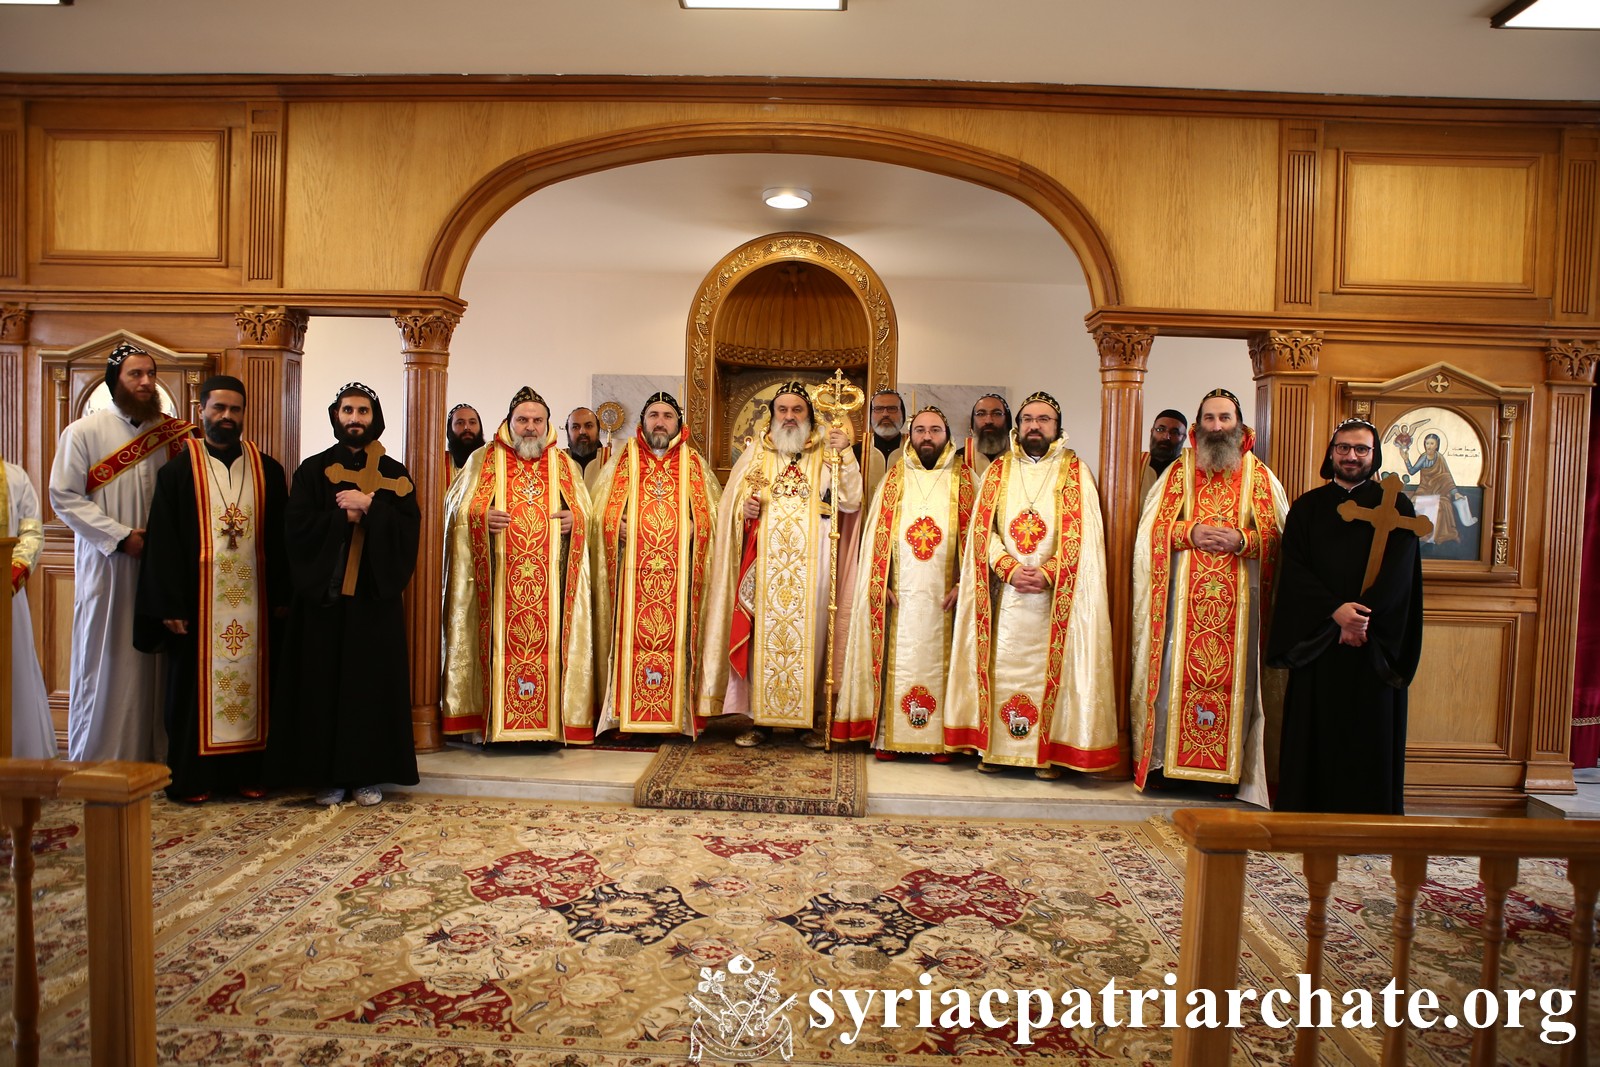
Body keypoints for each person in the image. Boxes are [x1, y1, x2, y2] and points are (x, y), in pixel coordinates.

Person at [945, 391, 1118, 778]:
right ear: (1017, 425)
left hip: (1055, 600)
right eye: (1027, 419)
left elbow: (1085, 537)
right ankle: (995, 748)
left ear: (1058, 427)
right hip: (1006, 598)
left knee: (1046, 674)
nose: (1034, 426)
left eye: (1043, 420)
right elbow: (981, 533)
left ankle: (1047, 754)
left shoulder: (1076, 471)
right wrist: (1007, 566)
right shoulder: (998, 471)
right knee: (1001, 668)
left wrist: (1050, 571)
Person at [1131, 388, 1288, 805]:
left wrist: (1242, 539)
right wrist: (1189, 532)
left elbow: (1279, 540)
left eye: (1225, 418)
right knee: (1172, 682)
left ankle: (1229, 773)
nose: (1217, 426)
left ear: (1240, 424)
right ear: (1198, 425)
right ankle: (1167, 766)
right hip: (1181, 608)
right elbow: (1150, 533)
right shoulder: (1178, 473)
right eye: (1210, 418)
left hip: (1240, 607)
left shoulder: (1259, 476)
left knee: (1236, 685)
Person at [135, 376, 288, 802]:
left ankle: (251, 772)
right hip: (199, 608)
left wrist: (282, 597)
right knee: (192, 694)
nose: (226, 417)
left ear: (244, 414)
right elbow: (163, 543)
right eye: (218, 408)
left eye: (235, 410)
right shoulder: (179, 471)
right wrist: (170, 604)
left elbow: (280, 540)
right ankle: (194, 778)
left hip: (256, 607)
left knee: (259, 687)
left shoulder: (268, 471)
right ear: (200, 410)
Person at [268, 382, 420, 806]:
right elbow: (295, 528)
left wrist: (372, 509)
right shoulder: (313, 470)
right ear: (336, 416)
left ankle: (367, 775)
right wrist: (343, 516)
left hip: (373, 602)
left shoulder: (395, 474)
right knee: (322, 689)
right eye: (348, 410)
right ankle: (327, 777)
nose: (355, 418)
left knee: (368, 690)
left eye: (364, 411)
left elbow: (409, 530)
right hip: (325, 600)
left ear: (376, 418)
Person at [1268, 419, 1424, 814]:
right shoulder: (1306, 508)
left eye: (1361, 449)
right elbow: (1295, 571)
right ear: (1331, 452)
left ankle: (1369, 823)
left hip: (1374, 645)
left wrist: (1361, 619)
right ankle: (1306, 817)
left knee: (1368, 736)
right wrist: (1335, 613)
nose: (1351, 456)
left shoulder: (1398, 507)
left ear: (1375, 455)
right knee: (1315, 733)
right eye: (1343, 448)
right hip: (1320, 642)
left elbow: (1400, 574)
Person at [698, 380, 863, 747]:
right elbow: (731, 506)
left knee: (813, 642)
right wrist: (746, 509)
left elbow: (851, 503)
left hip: (815, 567)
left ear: (809, 415)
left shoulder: (829, 452)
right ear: (772, 416)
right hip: (765, 565)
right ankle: (761, 720)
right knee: (762, 641)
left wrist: (847, 455)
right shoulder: (758, 451)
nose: (789, 417)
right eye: (782, 410)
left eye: (797, 410)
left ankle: (809, 721)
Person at [49, 341, 193, 762]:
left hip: (161, 569)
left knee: (158, 660)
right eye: (136, 374)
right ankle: (101, 758)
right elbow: (64, 497)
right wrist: (119, 536)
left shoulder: (172, 434)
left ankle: (158, 756)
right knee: (110, 656)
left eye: (151, 374)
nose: (146, 382)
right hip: (109, 565)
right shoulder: (83, 433)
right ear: (117, 381)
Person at [443, 387, 598, 744]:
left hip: (552, 586)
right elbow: (455, 510)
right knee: (497, 648)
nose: (530, 428)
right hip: (497, 585)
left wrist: (576, 520)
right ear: (508, 423)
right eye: (523, 420)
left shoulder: (563, 463)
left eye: (537, 421)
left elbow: (587, 512)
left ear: (547, 424)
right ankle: (492, 723)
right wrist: (479, 516)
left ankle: (551, 729)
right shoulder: (483, 459)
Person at [838, 406, 974, 760]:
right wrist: (878, 582)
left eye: (935, 430)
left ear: (948, 436)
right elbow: (874, 543)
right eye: (920, 430)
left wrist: (965, 585)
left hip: (948, 597)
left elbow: (978, 542)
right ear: (909, 436)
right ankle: (889, 734)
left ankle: (941, 738)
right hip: (900, 597)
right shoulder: (894, 479)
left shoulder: (966, 480)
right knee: (898, 659)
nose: (927, 437)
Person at [590, 392, 721, 737]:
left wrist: (696, 528)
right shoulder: (621, 461)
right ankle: (622, 715)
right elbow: (598, 512)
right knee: (627, 642)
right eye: (653, 415)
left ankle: (677, 716)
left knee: (679, 643)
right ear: (642, 422)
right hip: (630, 575)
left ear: (679, 423)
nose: (660, 422)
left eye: (667, 415)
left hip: (680, 576)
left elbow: (714, 516)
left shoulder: (694, 464)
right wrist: (611, 524)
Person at [5, 456, 55, 759]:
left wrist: (8, 577)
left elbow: (32, 533)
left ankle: (19, 759)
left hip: (5, 595)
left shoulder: (13, 477)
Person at [1402, 432, 1462, 546]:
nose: (1429, 446)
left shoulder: (1440, 458)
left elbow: (1446, 477)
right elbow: (1412, 471)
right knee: (1414, 502)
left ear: (1437, 445)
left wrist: (1455, 493)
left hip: (1439, 491)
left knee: (1443, 504)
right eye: (1427, 443)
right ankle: (1420, 534)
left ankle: (1433, 536)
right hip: (1424, 489)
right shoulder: (1423, 457)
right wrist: (1406, 459)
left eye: (1431, 443)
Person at [855, 389, 905, 500]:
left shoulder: (913, 451)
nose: (885, 414)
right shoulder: (855, 453)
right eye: (879, 409)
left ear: (902, 414)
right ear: (870, 415)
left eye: (892, 409)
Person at [958, 393, 1012, 482]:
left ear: (1007, 423)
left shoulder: (1021, 459)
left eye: (997, 414)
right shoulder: (958, 461)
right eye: (981, 414)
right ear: (972, 425)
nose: (988, 420)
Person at [1140, 408, 1188, 504]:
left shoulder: (1188, 470)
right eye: (1160, 430)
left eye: (1174, 432)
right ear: (1152, 432)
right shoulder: (1135, 465)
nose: (1166, 436)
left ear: (1183, 438)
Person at [565, 406, 605, 494]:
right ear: (568, 431)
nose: (582, 431)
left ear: (598, 429)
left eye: (589, 426)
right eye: (575, 427)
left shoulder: (611, 462)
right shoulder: (558, 462)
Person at [446, 403, 484, 480]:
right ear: (450, 430)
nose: (467, 427)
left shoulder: (494, 464)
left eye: (472, 422)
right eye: (460, 423)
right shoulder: (438, 465)